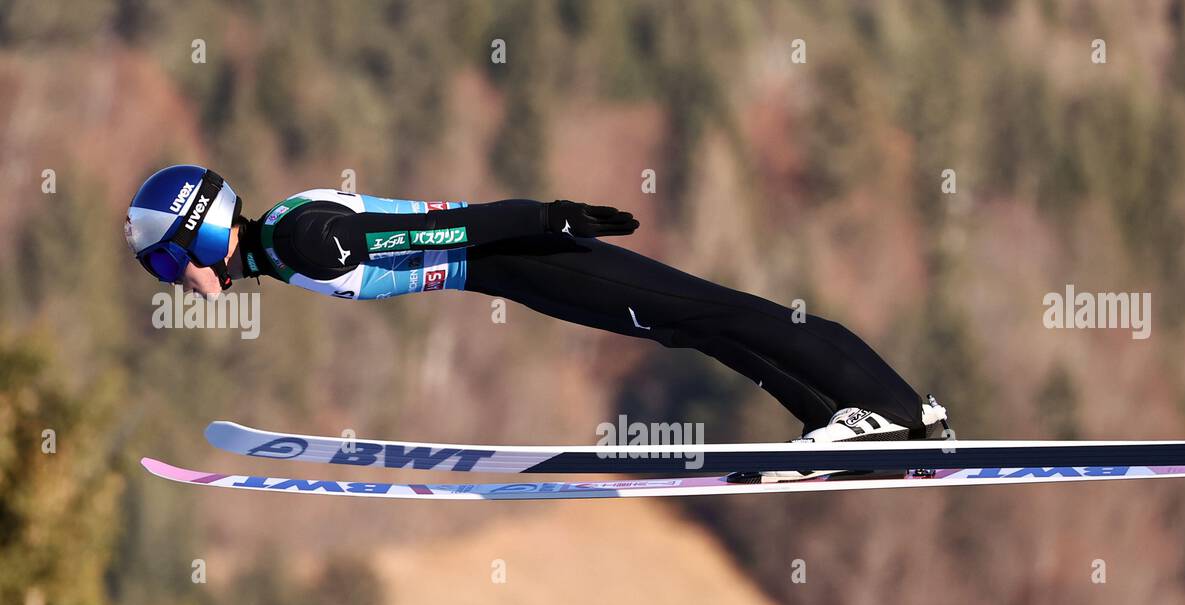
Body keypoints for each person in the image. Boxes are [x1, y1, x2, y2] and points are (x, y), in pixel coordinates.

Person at [125, 165, 947, 480]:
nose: (175, 283)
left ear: (196, 236)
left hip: (523, 254)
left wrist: (546, 217)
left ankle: (898, 414)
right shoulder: (280, 242)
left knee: (716, 313)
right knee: (696, 325)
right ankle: (842, 417)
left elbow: (442, 230)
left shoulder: (306, 241)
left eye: (166, 263)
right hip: (514, 268)